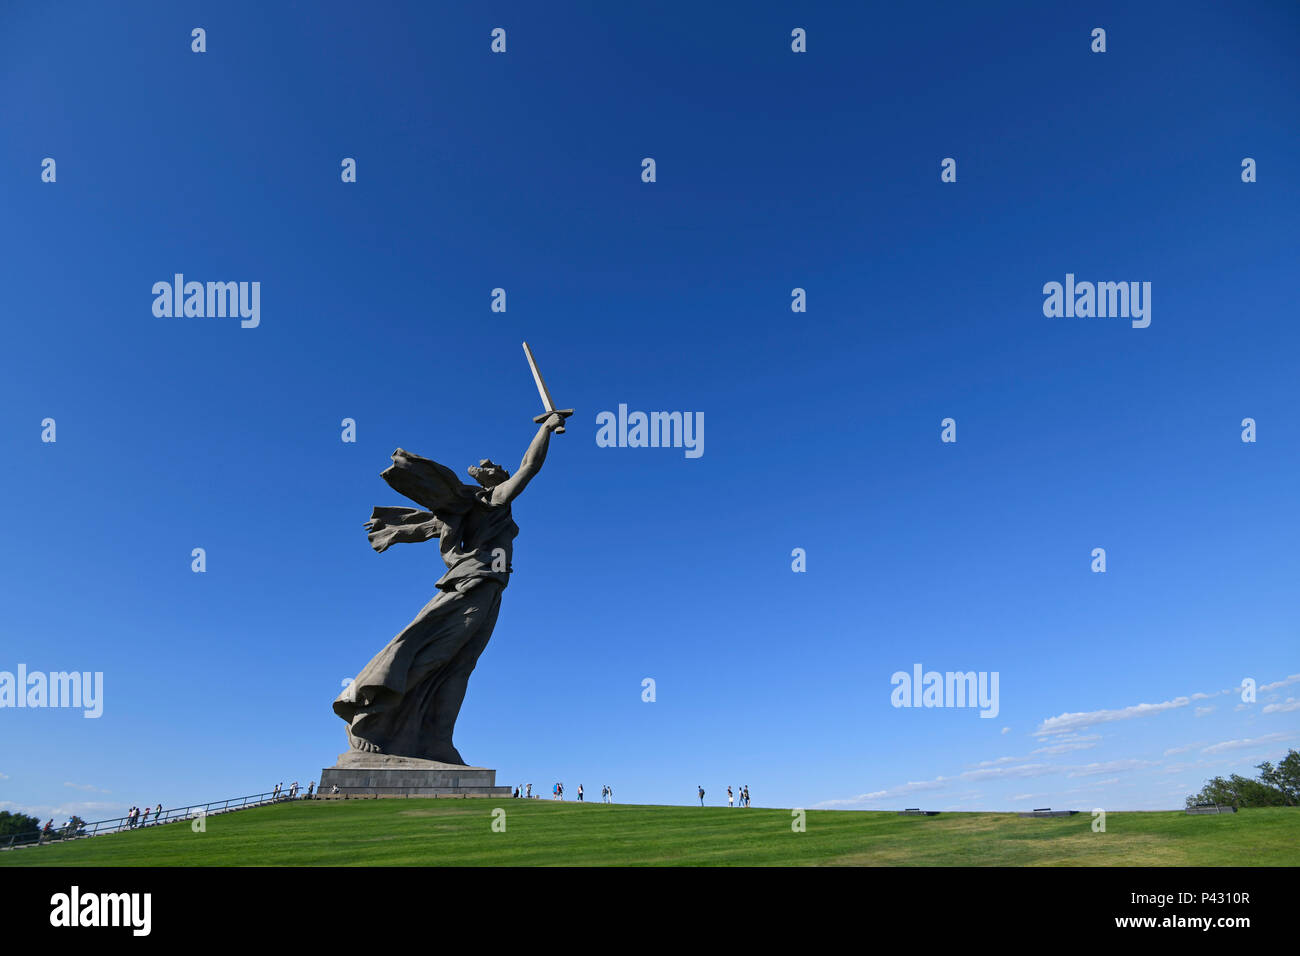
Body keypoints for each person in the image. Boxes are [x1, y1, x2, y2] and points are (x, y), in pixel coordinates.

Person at [334, 414, 567, 764]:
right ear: (495, 481)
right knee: (435, 655)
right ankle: (370, 719)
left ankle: (437, 741)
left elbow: (422, 527)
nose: (496, 467)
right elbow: (529, 466)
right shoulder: (493, 500)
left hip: (490, 586)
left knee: (461, 665)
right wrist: (545, 429)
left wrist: (395, 531)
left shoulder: (469, 508)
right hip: (473, 583)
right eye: (493, 467)